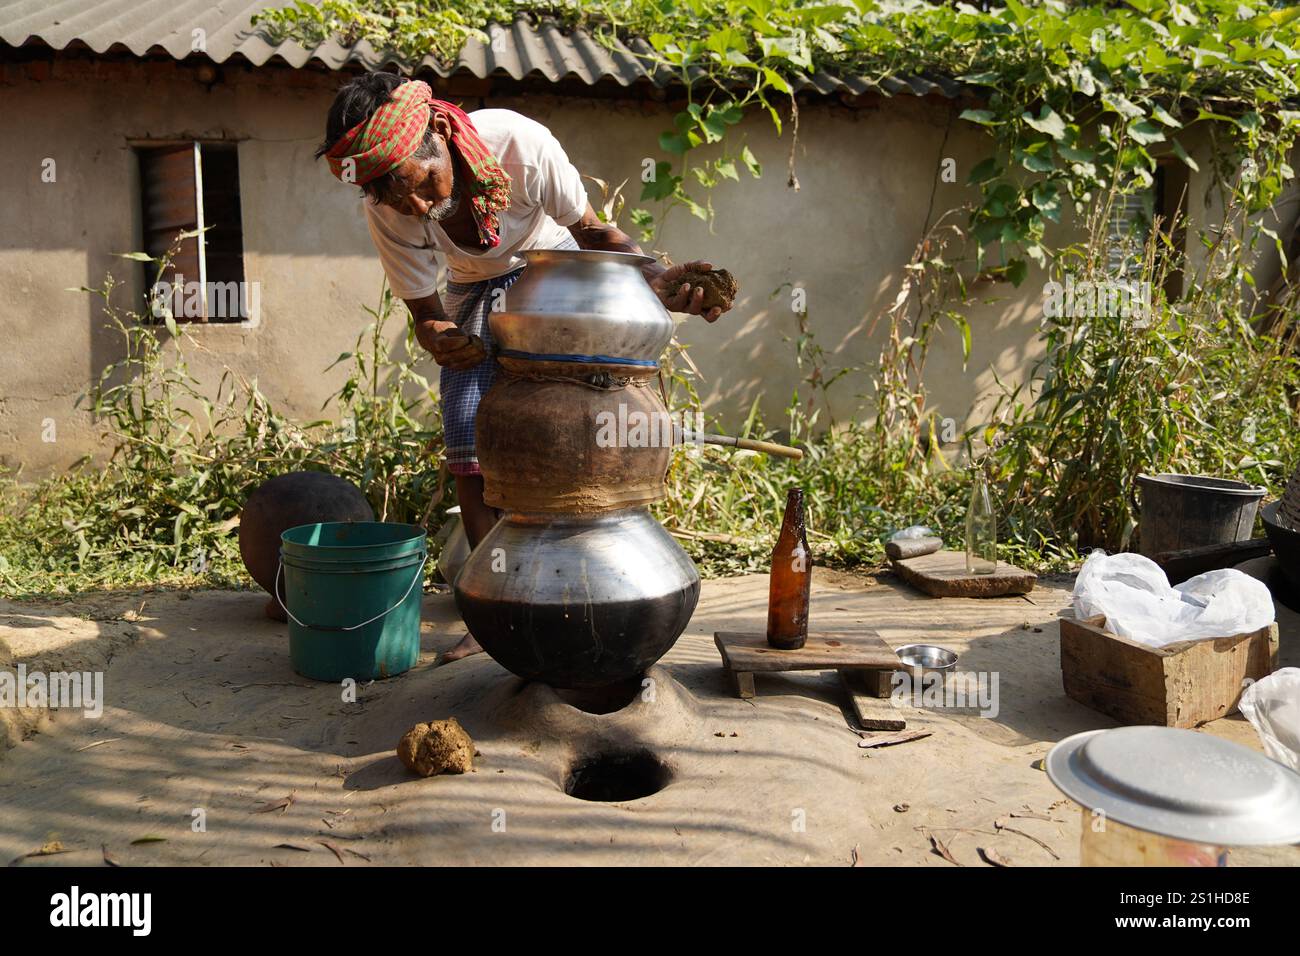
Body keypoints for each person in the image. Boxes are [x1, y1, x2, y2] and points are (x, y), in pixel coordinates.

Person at [319, 73, 732, 661]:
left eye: (420, 181)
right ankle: (497, 603)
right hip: (473, 290)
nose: (415, 205)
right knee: (470, 435)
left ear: (439, 131)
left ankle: (592, 575)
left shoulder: (519, 144)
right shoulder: (387, 207)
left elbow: (590, 232)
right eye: (391, 196)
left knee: (588, 421)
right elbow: (425, 311)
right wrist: (440, 337)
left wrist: (656, 279)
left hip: (557, 271)